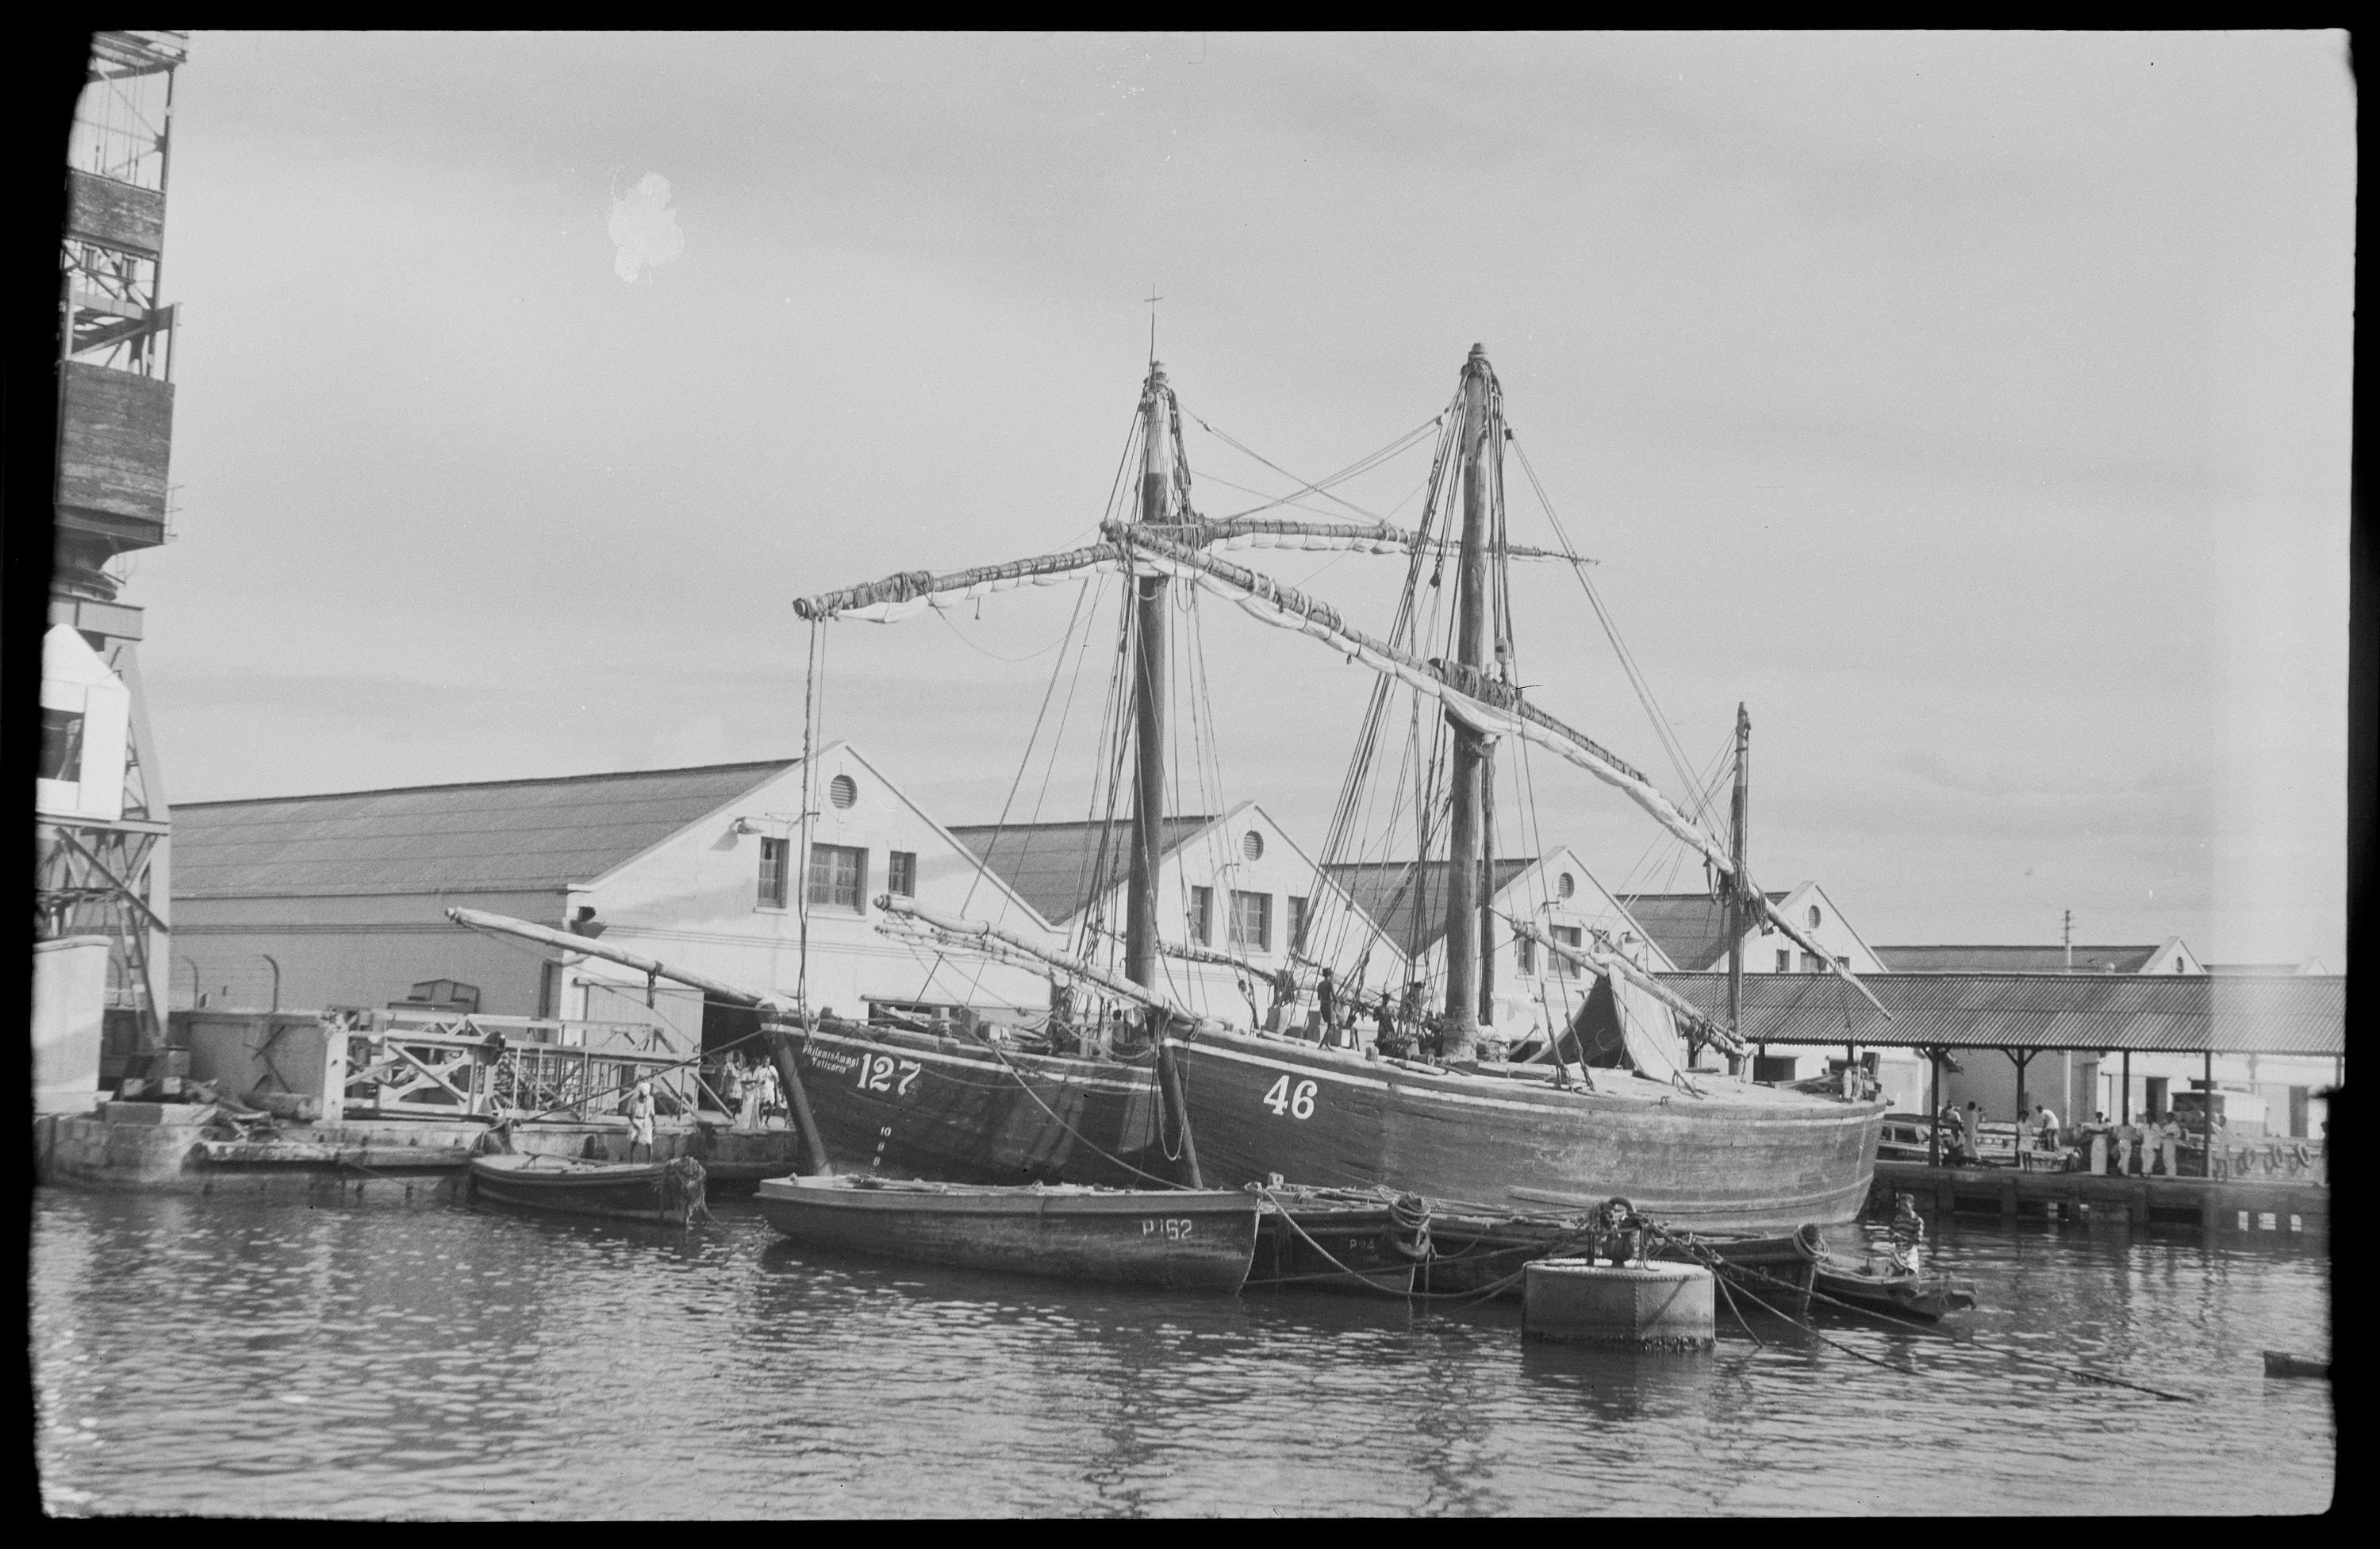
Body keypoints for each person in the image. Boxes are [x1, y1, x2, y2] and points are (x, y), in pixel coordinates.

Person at [624, 1078, 658, 1163]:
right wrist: (634, 1123)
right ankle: (631, 1163)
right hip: (636, 1121)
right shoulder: (633, 1099)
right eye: (643, 1095)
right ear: (640, 1093)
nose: (644, 1097)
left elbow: (652, 1114)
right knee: (633, 1143)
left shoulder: (650, 1099)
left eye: (645, 1095)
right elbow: (629, 1113)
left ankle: (648, 1163)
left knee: (649, 1143)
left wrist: (655, 1126)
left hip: (646, 1122)